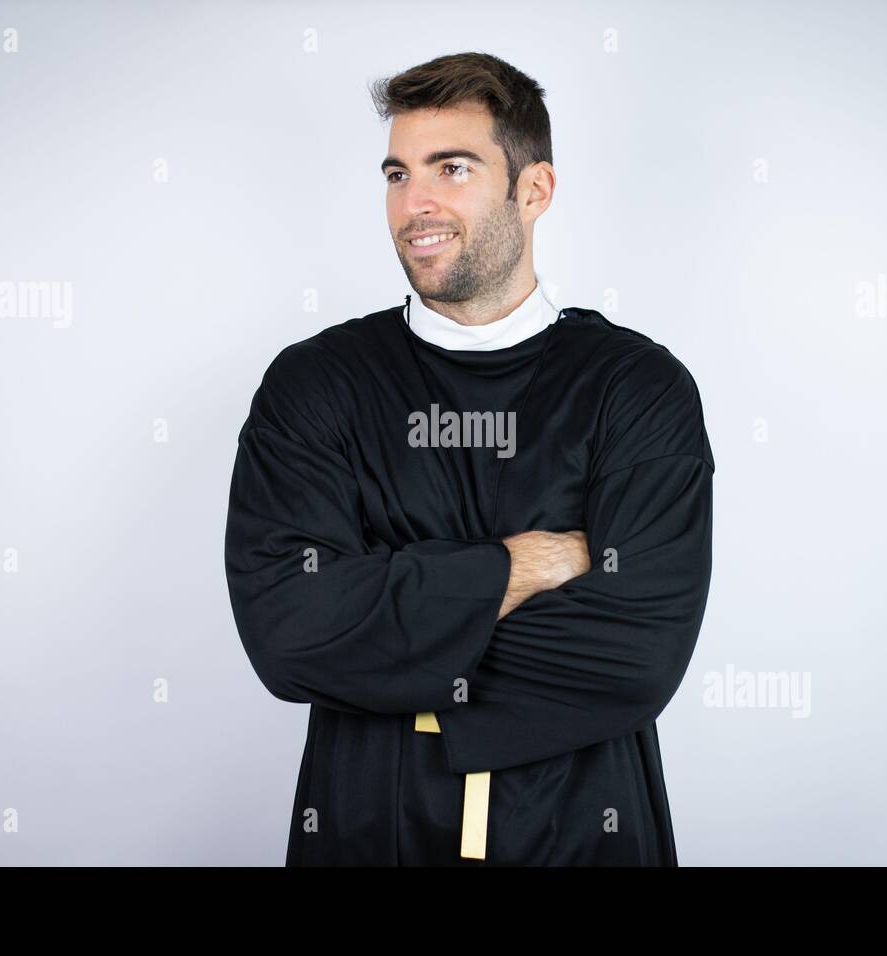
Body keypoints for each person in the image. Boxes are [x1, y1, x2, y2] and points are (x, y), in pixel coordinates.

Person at [224, 51, 715, 866]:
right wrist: (517, 568)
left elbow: (638, 653)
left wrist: (391, 631)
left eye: (452, 169)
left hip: (583, 828)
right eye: (396, 174)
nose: (415, 203)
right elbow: (288, 629)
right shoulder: (315, 385)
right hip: (368, 824)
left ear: (535, 190)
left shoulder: (636, 387)